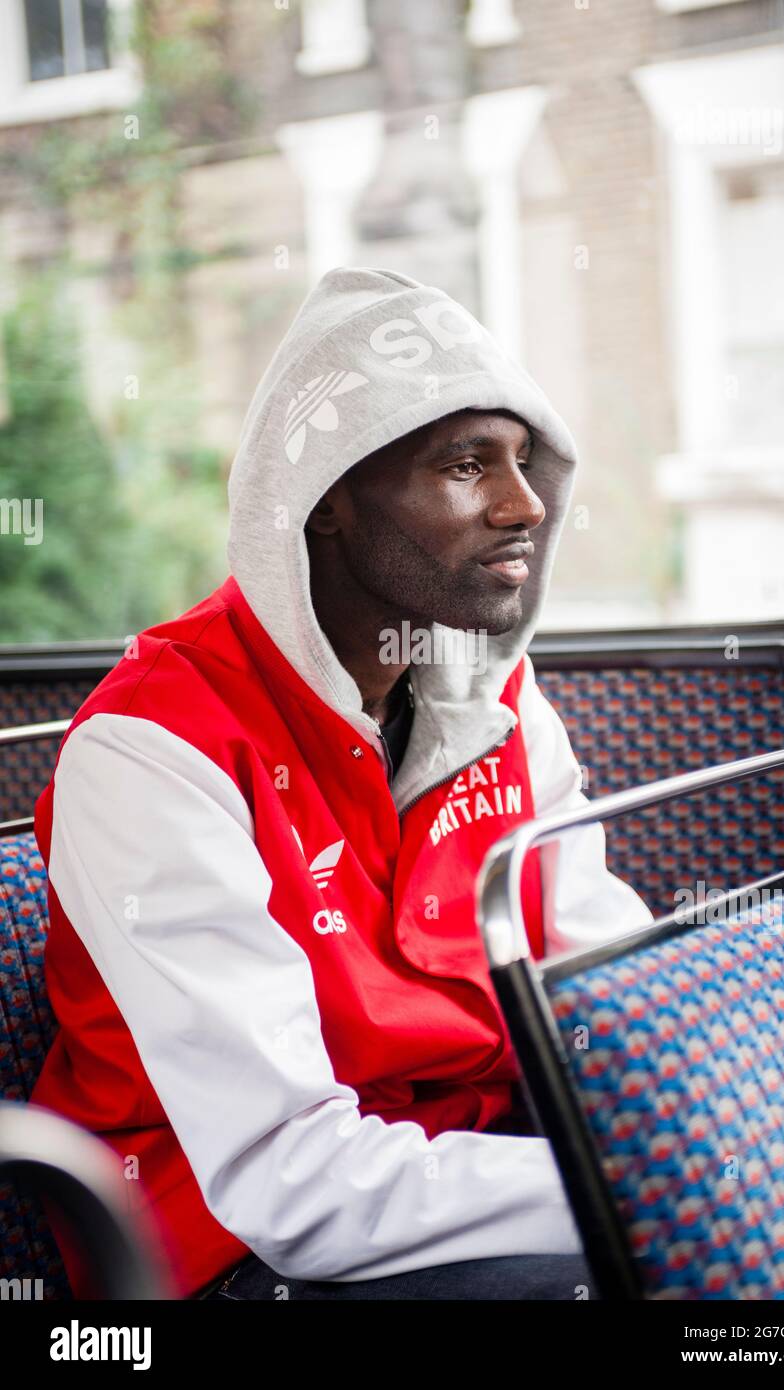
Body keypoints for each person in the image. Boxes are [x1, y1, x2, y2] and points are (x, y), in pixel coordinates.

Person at [31, 266, 652, 1301]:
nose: (524, 503)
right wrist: (641, 1183)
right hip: (230, 1254)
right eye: (465, 464)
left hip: (460, 1176)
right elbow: (290, 1185)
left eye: (521, 460)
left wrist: (735, 1130)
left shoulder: (492, 705)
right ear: (322, 504)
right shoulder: (152, 748)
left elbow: (618, 995)